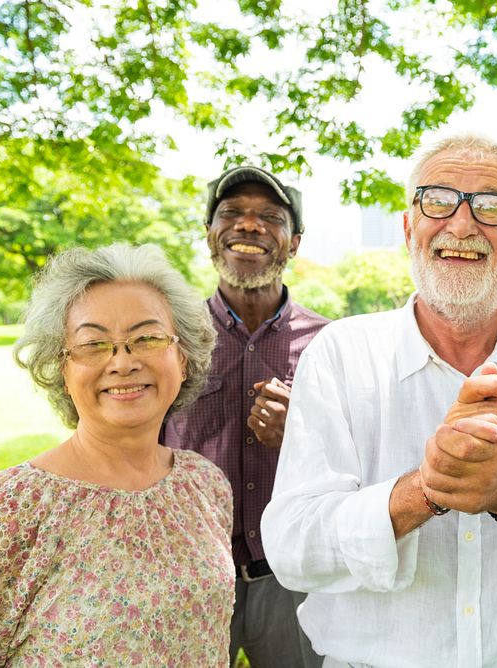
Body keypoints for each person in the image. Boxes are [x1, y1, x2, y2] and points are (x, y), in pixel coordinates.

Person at [260, 133, 497, 667]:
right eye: (438, 200)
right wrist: (426, 489)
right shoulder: (341, 355)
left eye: (493, 207)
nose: (462, 224)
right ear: (407, 226)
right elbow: (293, 549)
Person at [0, 244, 232, 665]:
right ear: (60, 368)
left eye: (147, 338)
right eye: (93, 344)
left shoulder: (206, 484)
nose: (122, 362)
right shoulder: (9, 507)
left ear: (182, 358)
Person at [162, 165, 328, 667]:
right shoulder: (170, 337)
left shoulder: (330, 345)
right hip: (187, 575)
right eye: (231, 213)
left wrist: (301, 436)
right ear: (210, 234)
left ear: (294, 242)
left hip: (292, 580)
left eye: (269, 217)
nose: (249, 226)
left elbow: (360, 463)